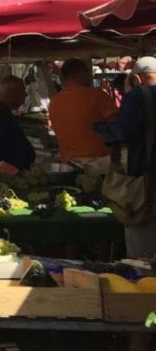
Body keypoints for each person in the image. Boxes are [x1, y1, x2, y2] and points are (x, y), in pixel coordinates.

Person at [114, 56, 156, 259]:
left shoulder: (137, 97)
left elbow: (121, 133)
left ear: (137, 79)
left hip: (146, 182)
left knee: (142, 255)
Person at [48, 59, 117, 172]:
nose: (90, 76)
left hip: (68, 164)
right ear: (79, 73)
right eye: (88, 72)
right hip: (98, 164)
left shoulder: (54, 102)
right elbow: (116, 125)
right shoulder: (97, 95)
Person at [0, 76, 35, 170]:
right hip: (7, 173)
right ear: (11, 93)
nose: (25, 95)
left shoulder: (2, 110)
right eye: (22, 91)